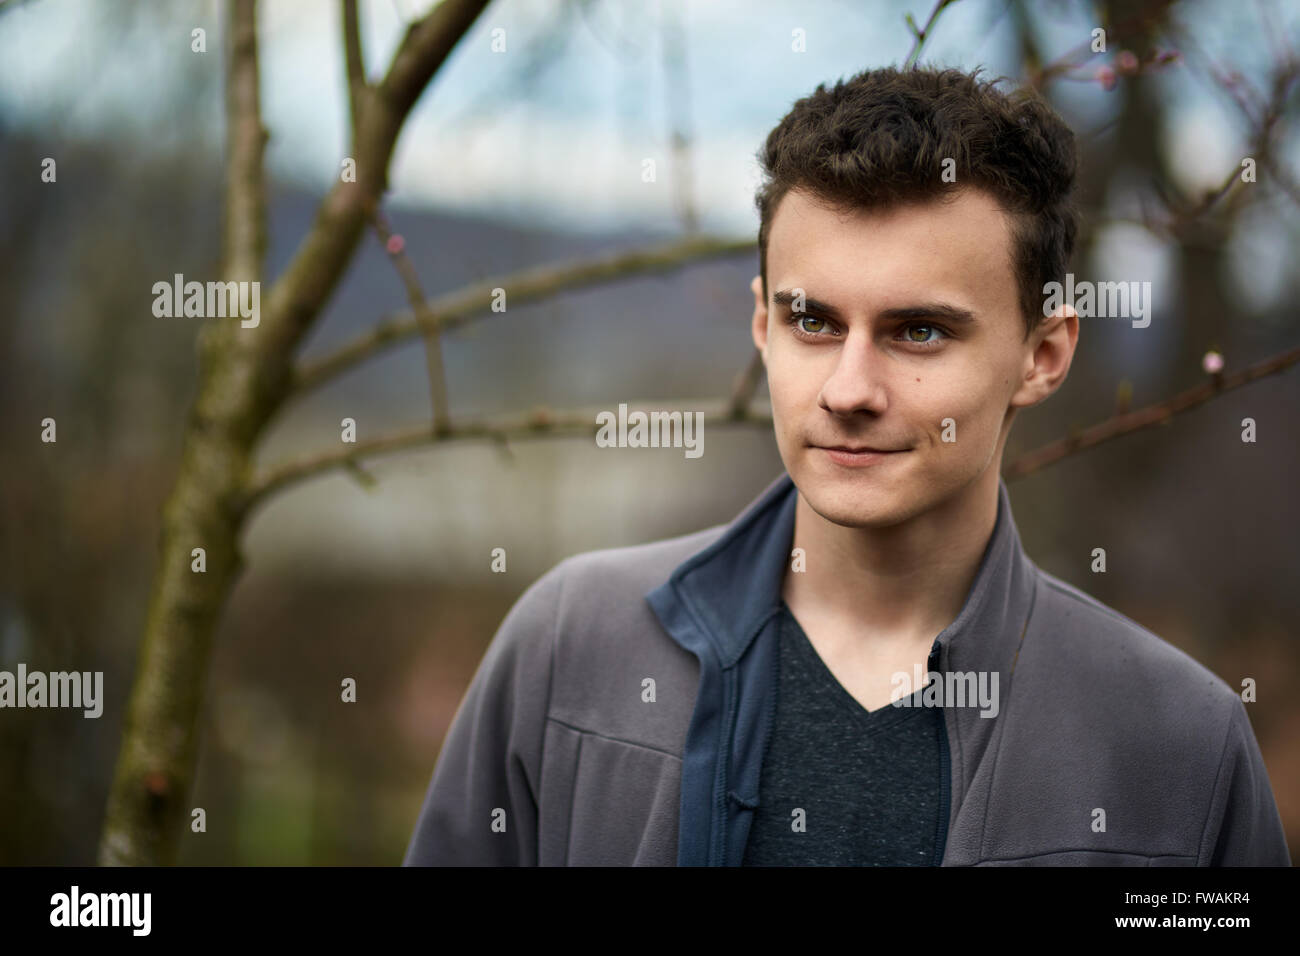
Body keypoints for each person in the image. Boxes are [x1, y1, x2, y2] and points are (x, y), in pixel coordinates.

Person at [403, 66, 1290, 866]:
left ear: (1043, 354)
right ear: (762, 326)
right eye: (814, 322)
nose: (850, 389)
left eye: (920, 331)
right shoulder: (570, 647)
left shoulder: (1178, 741)